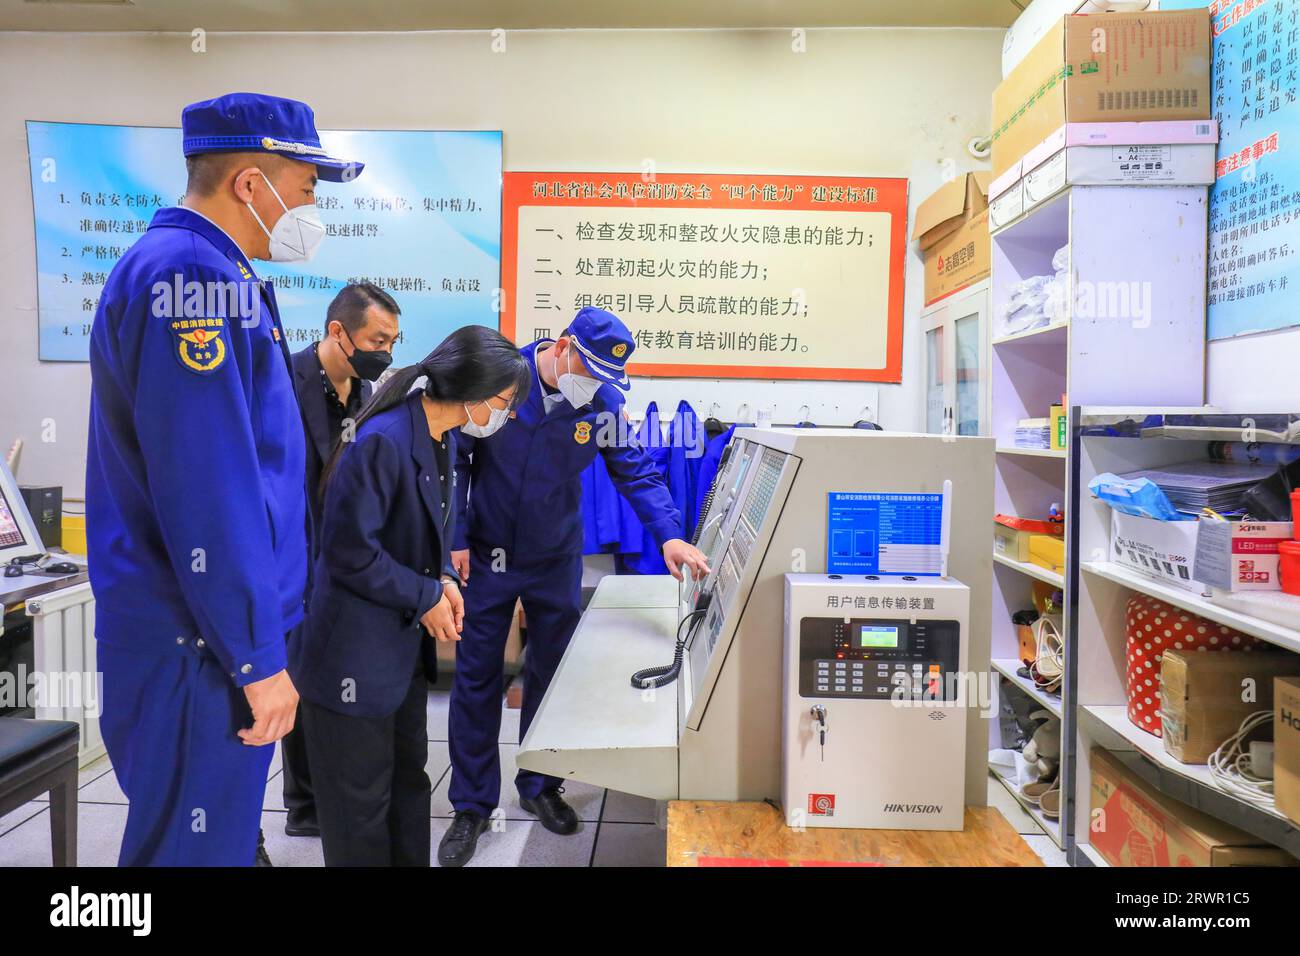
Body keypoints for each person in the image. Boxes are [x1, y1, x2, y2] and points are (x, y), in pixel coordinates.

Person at [85, 92, 364, 867]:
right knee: (188, 853)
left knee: (216, 841)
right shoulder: (190, 282)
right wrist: (255, 657)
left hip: (210, 635)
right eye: (306, 189)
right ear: (250, 183)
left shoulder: (211, 272)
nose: (311, 209)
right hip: (199, 643)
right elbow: (209, 489)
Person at [439, 307, 710, 867]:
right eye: (587, 370)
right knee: (478, 674)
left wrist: (669, 536)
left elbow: (633, 469)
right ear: (562, 348)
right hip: (487, 557)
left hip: (554, 555)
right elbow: (457, 460)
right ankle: (470, 803)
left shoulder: (601, 403)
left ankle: (539, 785)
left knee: (552, 673)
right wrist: (455, 535)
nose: (592, 385)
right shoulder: (501, 381)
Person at [290, 325, 531, 867]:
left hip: (397, 654)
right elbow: (350, 553)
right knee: (360, 809)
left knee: (407, 787)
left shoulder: (439, 436)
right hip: (352, 656)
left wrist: (444, 578)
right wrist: (426, 594)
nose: (506, 415)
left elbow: (433, 533)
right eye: (505, 402)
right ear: (474, 392)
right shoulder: (384, 439)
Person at [281, 281, 400, 837]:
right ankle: (298, 806)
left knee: (328, 686)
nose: (387, 353)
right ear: (338, 331)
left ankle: (323, 803)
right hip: (292, 560)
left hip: (345, 561)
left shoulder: (370, 395)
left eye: (394, 341)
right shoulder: (284, 381)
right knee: (288, 683)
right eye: (378, 339)